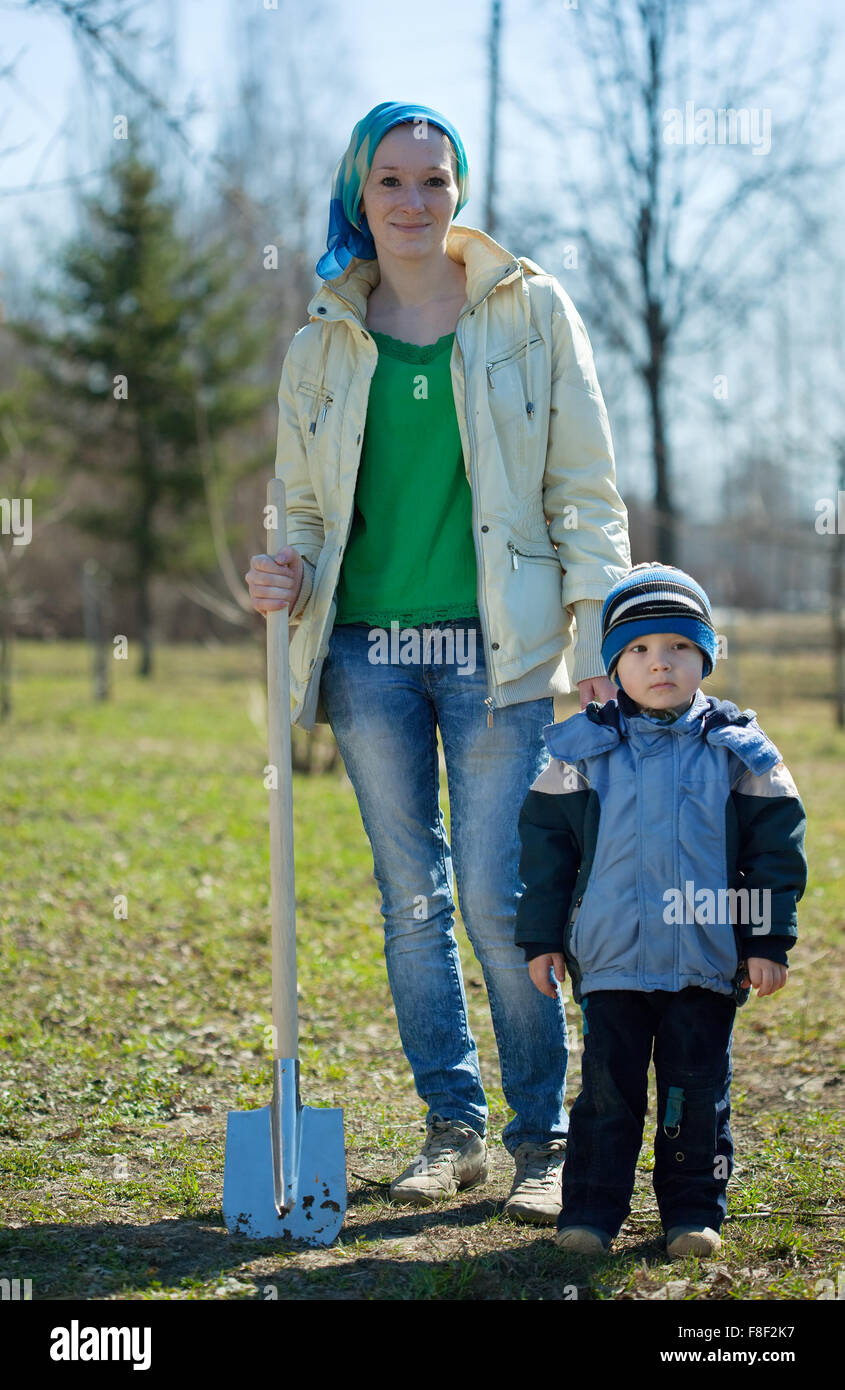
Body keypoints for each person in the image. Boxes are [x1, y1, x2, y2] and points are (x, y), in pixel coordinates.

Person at [245, 101, 631, 1225]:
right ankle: (449, 1130)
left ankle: (540, 1141)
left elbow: (583, 487)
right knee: (410, 900)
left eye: (433, 182)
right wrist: (284, 574)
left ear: (459, 193)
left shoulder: (528, 312)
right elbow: (305, 511)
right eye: (390, 183)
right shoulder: (321, 339)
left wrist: (598, 621)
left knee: (496, 899)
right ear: (357, 197)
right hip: (365, 651)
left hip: (495, 652)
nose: (412, 203)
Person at [516, 562, 808, 1255]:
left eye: (679, 648)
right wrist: (541, 939)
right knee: (606, 1096)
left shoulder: (740, 753)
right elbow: (546, 857)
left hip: (705, 962)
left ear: (705, 655)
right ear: (613, 664)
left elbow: (775, 853)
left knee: (695, 1094)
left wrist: (765, 940)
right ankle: (588, 1213)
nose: (660, 665)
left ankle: (691, 1213)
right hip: (611, 961)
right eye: (639, 651)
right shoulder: (580, 753)